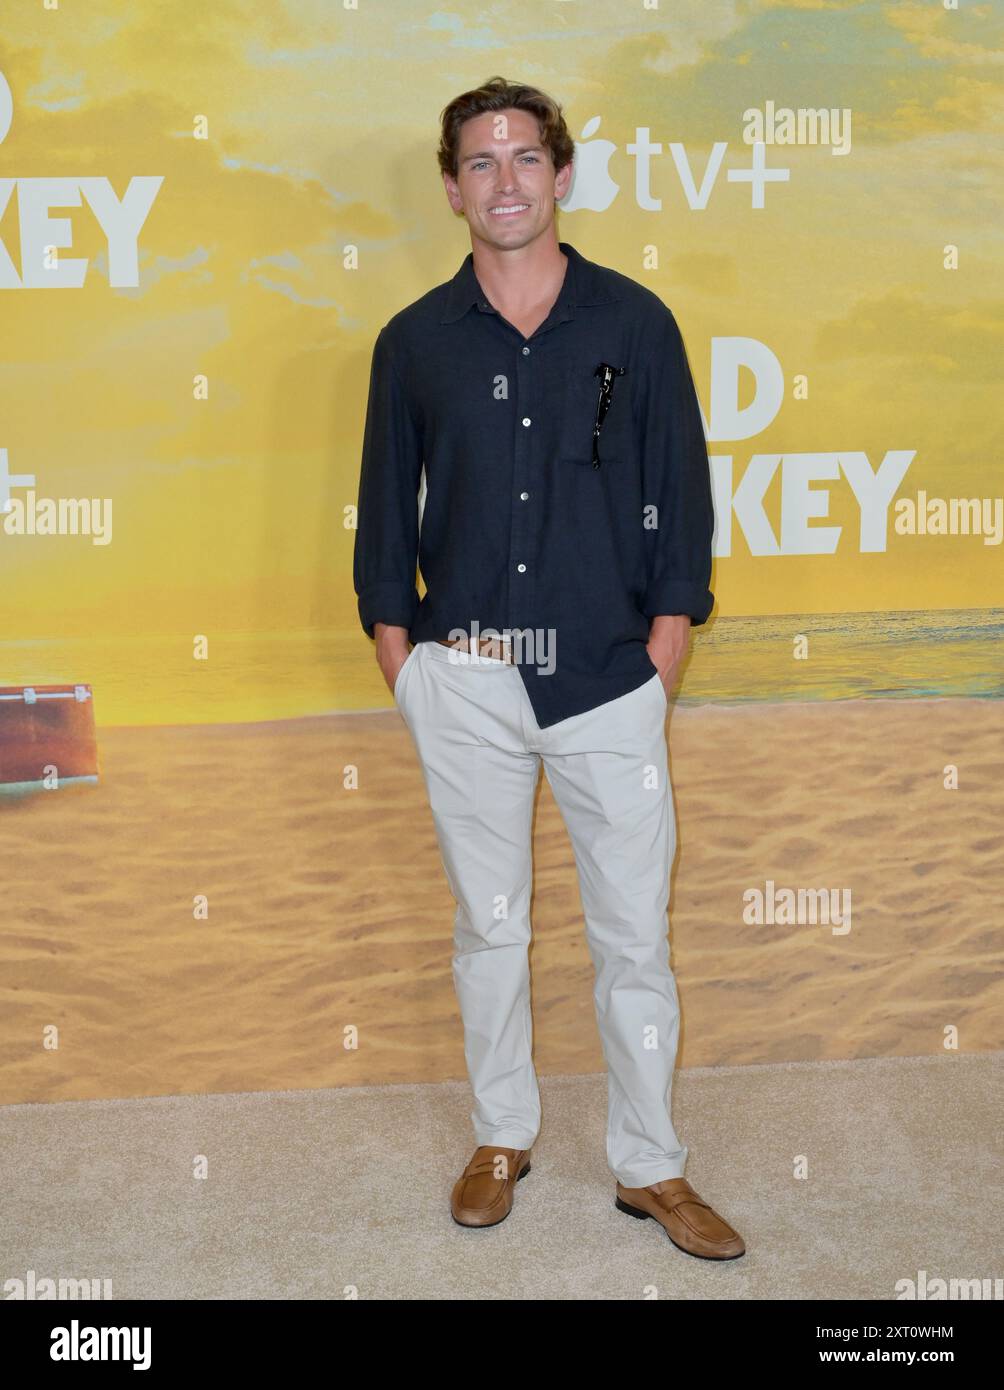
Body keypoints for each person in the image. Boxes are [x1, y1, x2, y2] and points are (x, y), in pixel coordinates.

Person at [353, 76, 744, 1261]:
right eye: (481, 162)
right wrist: (402, 659)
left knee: (634, 937)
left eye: (525, 158)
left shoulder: (634, 325)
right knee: (490, 927)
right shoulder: (414, 342)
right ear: (451, 187)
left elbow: (680, 497)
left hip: (608, 681)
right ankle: (500, 1134)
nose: (505, 181)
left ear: (561, 176)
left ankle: (650, 1166)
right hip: (463, 681)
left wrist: (664, 646)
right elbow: (382, 518)